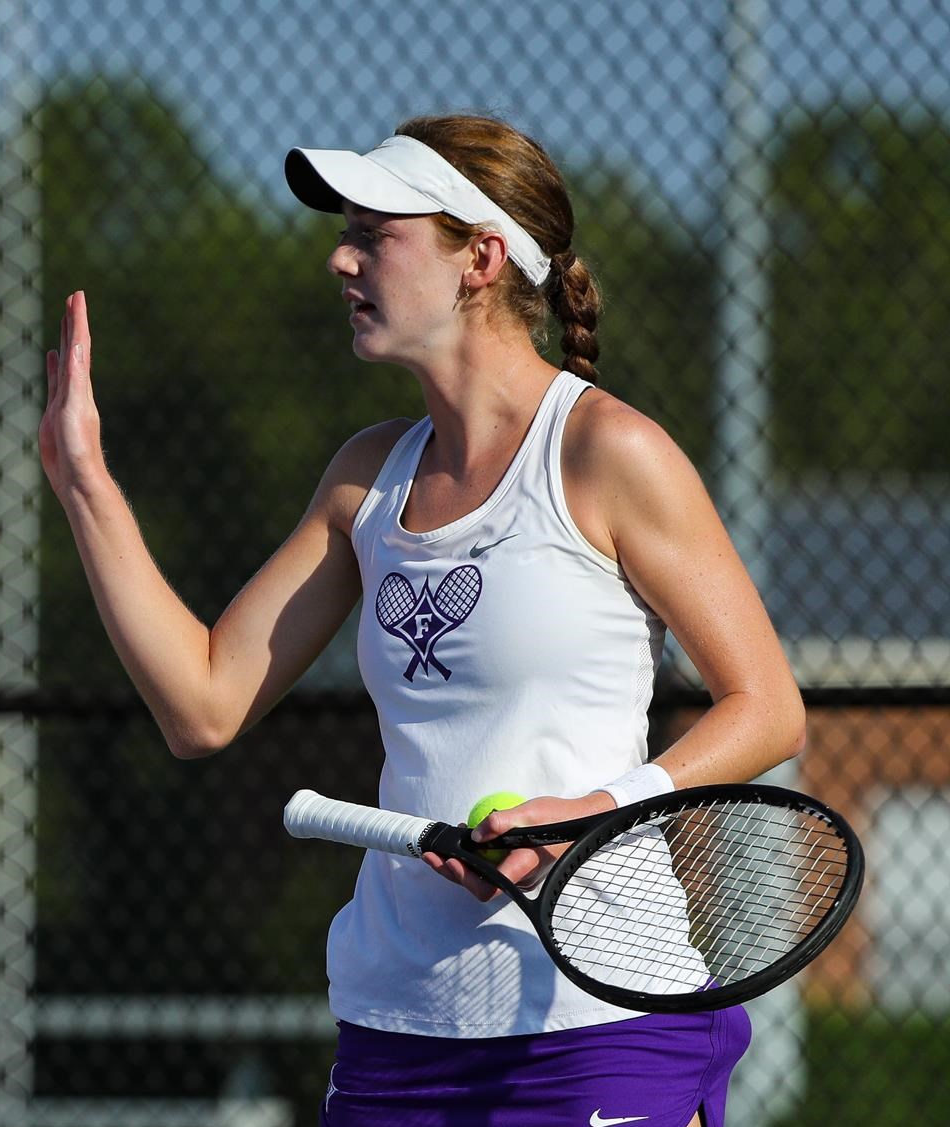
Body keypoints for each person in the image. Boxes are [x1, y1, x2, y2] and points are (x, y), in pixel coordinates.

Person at [39, 114, 803, 1126]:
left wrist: (580, 812)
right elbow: (202, 703)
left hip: (596, 1024)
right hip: (395, 1031)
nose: (338, 255)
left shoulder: (606, 451)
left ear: (477, 259)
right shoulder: (364, 477)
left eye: (374, 231)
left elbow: (767, 706)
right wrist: (84, 481)